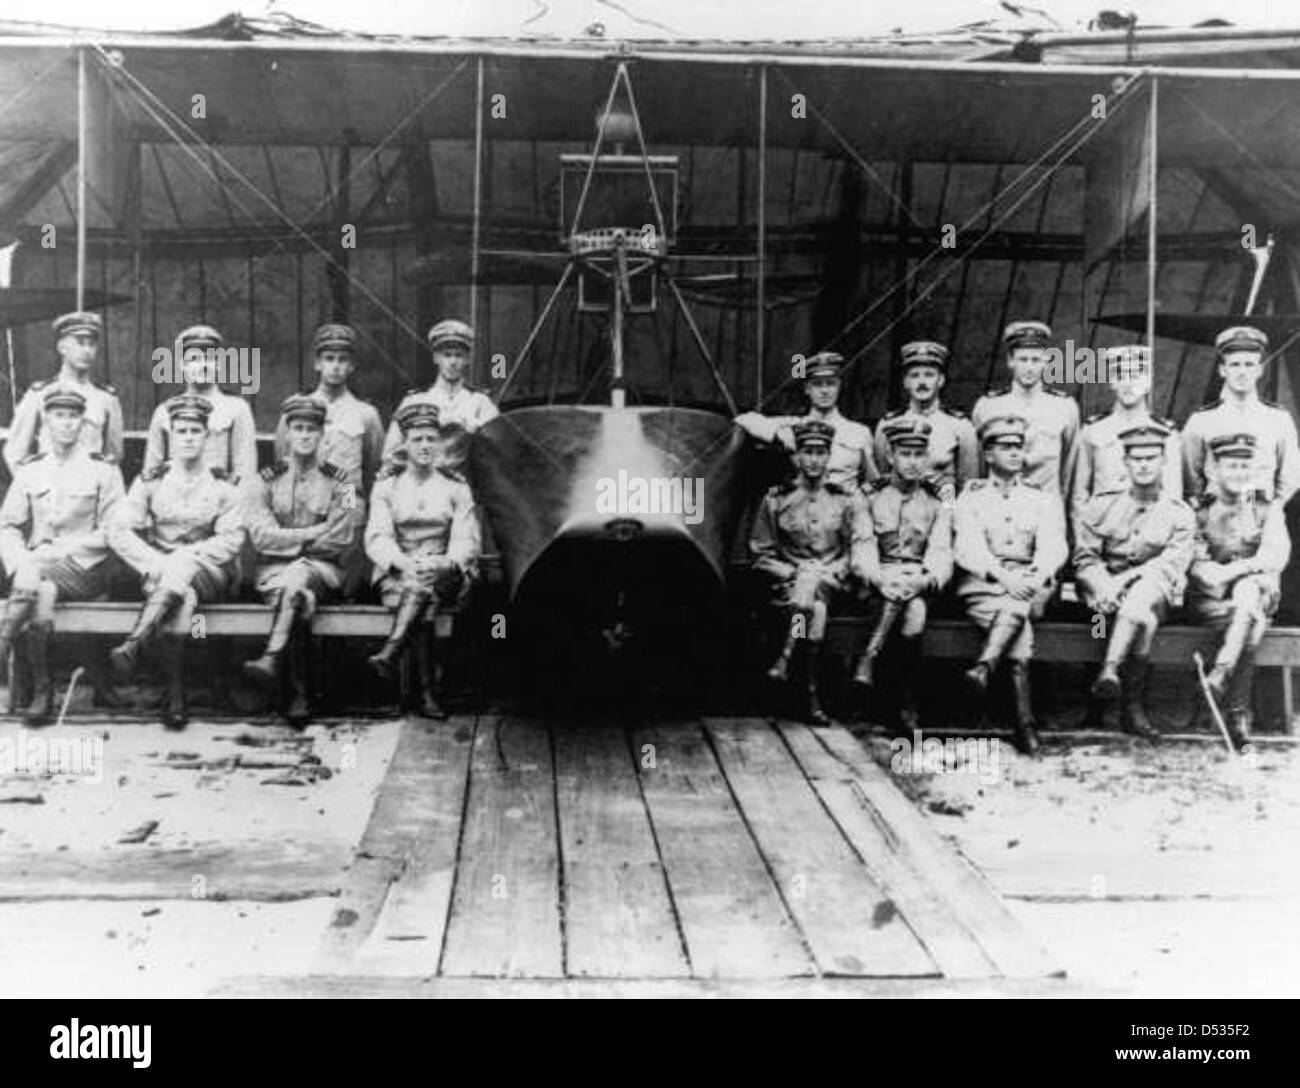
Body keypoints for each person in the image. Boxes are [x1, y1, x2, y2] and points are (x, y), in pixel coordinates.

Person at [108, 394, 244, 729]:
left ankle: (137, 643)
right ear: (170, 435)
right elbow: (118, 530)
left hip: (210, 571)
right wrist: (155, 562)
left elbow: (231, 540)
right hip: (161, 573)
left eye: (195, 431)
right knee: (185, 598)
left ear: (207, 436)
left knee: (184, 570)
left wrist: (187, 556)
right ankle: (176, 697)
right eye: (181, 431)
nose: (188, 438)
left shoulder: (223, 485)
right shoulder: (151, 481)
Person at [0, 385, 126, 723]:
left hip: (88, 568)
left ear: (83, 422)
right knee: (40, 588)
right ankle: (44, 692)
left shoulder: (103, 470)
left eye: (73, 416)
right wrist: (18, 559)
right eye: (59, 416)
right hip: (39, 572)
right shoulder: (31, 470)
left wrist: (62, 550)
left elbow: (115, 531)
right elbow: (7, 525)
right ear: (46, 421)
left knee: (34, 573)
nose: (67, 423)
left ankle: (4, 645)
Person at [1072, 422, 1195, 741]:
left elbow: (1170, 565)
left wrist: (1122, 582)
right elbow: (1085, 559)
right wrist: (1102, 586)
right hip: (1102, 602)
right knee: (1126, 620)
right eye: (1136, 459)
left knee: (1141, 599)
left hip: (1156, 594)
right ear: (1125, 462)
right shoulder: (1102, 506)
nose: (1143, 465)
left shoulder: (1179, 513)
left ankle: (1110, 675)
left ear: (1163, 462)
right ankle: (1128, 707)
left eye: (1151, 458)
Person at [953, 414, 1068, 754]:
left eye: (1019, 446)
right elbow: (967, 547)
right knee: (1018, 617)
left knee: (1016, 605)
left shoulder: (1041, 497)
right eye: (1006, 447)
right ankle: (1024, 724)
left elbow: (1054, 545)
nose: (1016, 453)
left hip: (1030, 584)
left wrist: (1034, 575)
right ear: (988, 455)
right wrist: (1003, 577)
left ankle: (984, 667)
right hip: (985, 586)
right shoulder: (970, 497)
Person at [244, 394, 360, 727]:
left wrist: (290, 543)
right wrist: (313, 534)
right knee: (295, 592)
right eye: (298, 428)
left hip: (324, 572)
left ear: (322, 434)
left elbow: (343, 535)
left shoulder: (344, 482)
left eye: (312, 429)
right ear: (287, 433)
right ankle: (300, 696)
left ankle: (273, 659)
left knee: (296, 581)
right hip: (274, 573)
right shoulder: (264, 479)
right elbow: (260, 536)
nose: (305, 435)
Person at [366, 402, 481, 719]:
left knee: (422, 588)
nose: (425, 446)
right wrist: (403, 563)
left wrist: (445, 562)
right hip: (399, 571)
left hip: (445, 572)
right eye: (417, 439)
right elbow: (377, 537)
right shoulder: (387, 486)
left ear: (440, 442)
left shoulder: (455, 486)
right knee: (422, 597)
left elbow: (466, 539)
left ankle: (391, 653)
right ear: (404, 443)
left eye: (432, 438)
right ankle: (428, 694)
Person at [749, 419, 858, 725]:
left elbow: (853, 551)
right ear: (797, 456)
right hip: (792, 588)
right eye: (807, 452)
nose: (814, 460)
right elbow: (760, 554)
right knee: (815, 610)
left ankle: (785, 659)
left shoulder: (844, 499)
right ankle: (811, 696)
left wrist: (829, 571)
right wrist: (793, 573)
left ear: (829, 456)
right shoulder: (777, 499)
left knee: (812, 587)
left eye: (820, 452)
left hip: (834, 583)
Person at [1187, 433, 1292, 750]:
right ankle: (1237, 715)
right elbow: (1200, 570)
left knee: (1247, 595)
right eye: (1231, 466)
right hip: (1213, 603)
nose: (1238, 474)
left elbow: (1275, 556)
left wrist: (1233, 571)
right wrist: (1239, 569)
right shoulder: (1201, 511)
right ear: (1215, 469)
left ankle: (1220, 674)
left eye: (1244, 467)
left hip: (1254, 595)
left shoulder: (1259, 506)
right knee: (1249, 621)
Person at [850, 416, 954, 733]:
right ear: (890, 456)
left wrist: (924, 579)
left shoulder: (939, 499)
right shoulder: (868, 495)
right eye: (905, 454)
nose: (912, 462)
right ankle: (902, 703)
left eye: (919, 454)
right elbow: (863, 547)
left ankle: (879, 673)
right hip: (874, 584)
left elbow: (941, 550)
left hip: (916, 582)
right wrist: (880, 579)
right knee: (911, 609)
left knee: (916, 611)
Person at [1182, 325, 1300, 504]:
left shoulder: (1279, 419)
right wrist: (1205, 510)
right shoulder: (1201, 421)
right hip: (1216, 515)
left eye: (1249, 364)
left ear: (1260, 370)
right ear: (1222, 370)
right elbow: (1190, 479)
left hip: (1263, 513)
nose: (1242, 372)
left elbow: (1290, 477)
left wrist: (1272, 510)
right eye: (1235, 364)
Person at [735, 351, 877, 491]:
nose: (825, 391)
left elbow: (873, 483)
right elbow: (744, 419)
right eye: (817, 384)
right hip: (803, 502)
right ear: (807, 389)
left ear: (839, 387)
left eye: (830, 384)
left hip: (846, 503)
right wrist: (779, 435)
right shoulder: (794, 426)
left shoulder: (859, 433)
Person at [4, 311, 123, 476]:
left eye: (92, 344)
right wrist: (33, 486)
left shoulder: (106, 398)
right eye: (80, 343)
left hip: (89, 485)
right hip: (50, 485)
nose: (87, 351)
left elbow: (113, 455)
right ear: (62, 347)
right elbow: (15, 452)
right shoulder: (40, 394)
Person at [1071, 344, 1181, 522]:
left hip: (1148, 525)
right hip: (1103, 523)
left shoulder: (1166, 432)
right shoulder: (1094, 429)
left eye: (1135, 377)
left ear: (1147, 384)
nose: (1128, 385)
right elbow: (1079, 494)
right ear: (1112, 382)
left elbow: (1173, 493)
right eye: (1121, 376)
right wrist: (1084, 532)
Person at [971, 320, 1079, 497]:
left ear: (1046, 362)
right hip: (999, 505)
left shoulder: (1064, 407)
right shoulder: (987, 407)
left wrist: (1061, 506)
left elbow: (1069, 470)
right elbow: (974, 472)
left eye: (1035, 360)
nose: (1029, 368)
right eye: (1023, 359)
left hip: (1047, 504)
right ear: (1010, 361)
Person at [275, 323, 384, 495]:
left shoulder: (366, 414)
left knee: (348, 509)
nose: (336, 366)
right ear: (317, 364)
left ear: (351, 366)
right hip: (306, 498)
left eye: (342, 359)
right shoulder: (295, 408)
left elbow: (372, 468)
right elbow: (282, 457)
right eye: (329, 358)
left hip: (347, 496)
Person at [380, 319, 498, 476]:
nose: (453, 362)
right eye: (447, 355)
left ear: (468, 359)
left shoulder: (481, 403)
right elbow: (389, 456)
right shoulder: (414, 401)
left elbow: (496, 455)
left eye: (459, 355)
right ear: (436, 358)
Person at [142, 325, 258, 486]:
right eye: (194, 359)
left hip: (220, 496)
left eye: (209, 359)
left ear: (218, 364)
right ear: (182, 365)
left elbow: (245, 472)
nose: (203, 365)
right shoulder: (164, 412)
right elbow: (151, 473)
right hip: (173, 496)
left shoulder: (236, 409)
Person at [873, 340, 977, 503]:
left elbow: (968, 485)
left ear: (940, 380)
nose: (922, 382)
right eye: (915, 375)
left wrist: (947, 509)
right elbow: (882, 477)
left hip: (944, 505)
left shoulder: (960, 426)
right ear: (906, 382)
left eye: (929, 375)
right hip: (899, 509)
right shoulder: (887, 425)